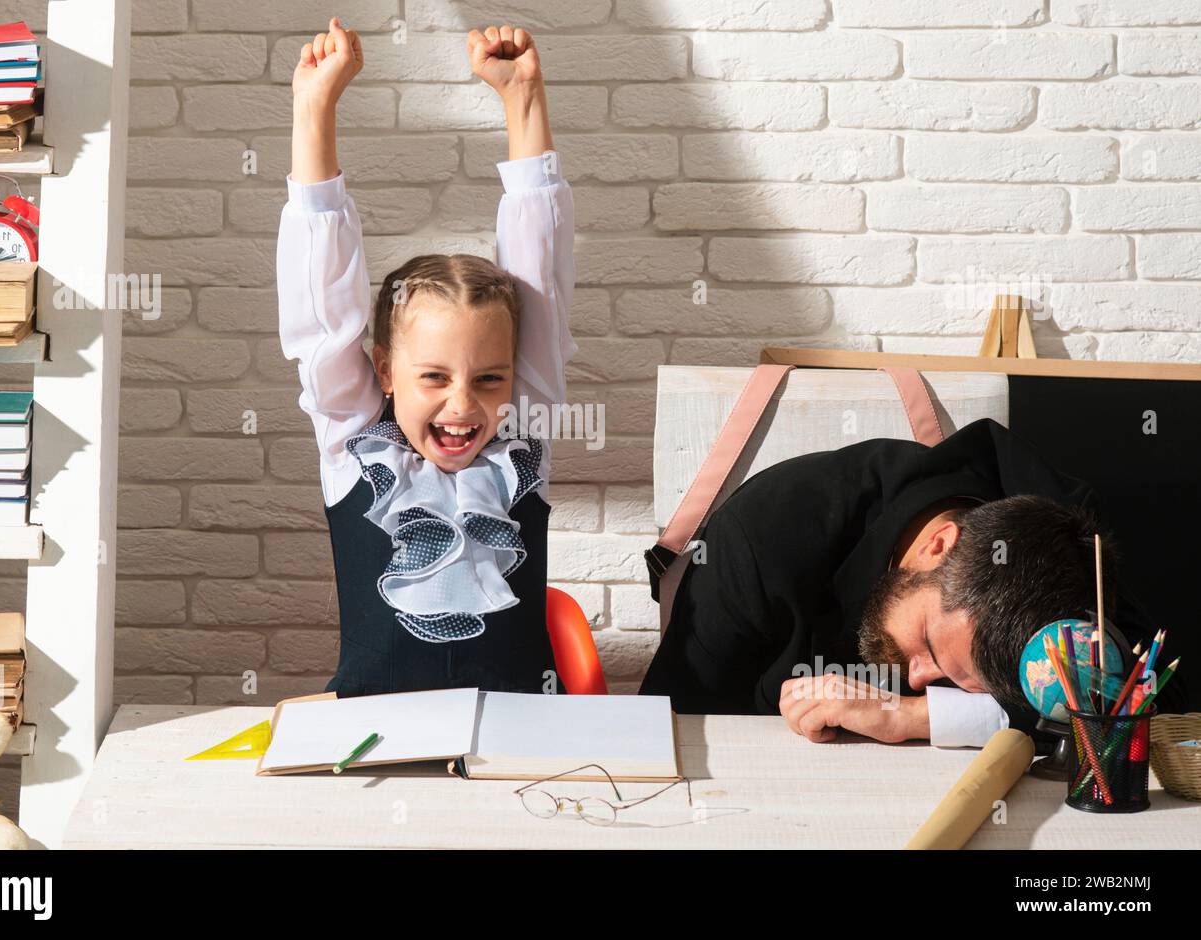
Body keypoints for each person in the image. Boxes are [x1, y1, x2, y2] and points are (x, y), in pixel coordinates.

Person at [278, 19, 575, 696]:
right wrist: (315, 107)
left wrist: (523, 99)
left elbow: (542, 287)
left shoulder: (518, 445)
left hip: (521, 741)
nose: (465, 404)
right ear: (384, 371)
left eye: (490, 377)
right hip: (375, 742)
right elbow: (322, 316)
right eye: (434, 377)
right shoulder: (352, 446)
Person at [639, 419, 1182, 747]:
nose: (921, 679)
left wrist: (915, 717)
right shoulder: (767, 533)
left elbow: (1149, 710)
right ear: (937, 545)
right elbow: (671, 718)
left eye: (952, 678)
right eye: (928, 644)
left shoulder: (1071, 557)